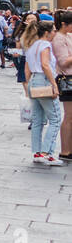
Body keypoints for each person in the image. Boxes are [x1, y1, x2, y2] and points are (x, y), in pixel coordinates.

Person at [27, 20, 65, 165]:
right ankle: (47, 153)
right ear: (47, 32)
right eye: (54, 30)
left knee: (38, 119)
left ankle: (37, 152)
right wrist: (54, 84)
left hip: (33, 80)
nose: (55, 32)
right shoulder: (45, 45)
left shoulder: (32, 45)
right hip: (43, 80)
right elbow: (45, 64)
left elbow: (27, 68)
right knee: (55, 118)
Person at [52, 11, 72, 160]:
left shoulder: (68, 36)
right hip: (67, 79)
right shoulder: (59, 39)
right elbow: (64, 62)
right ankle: (65, 150)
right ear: (64, 24)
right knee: (69, 116)